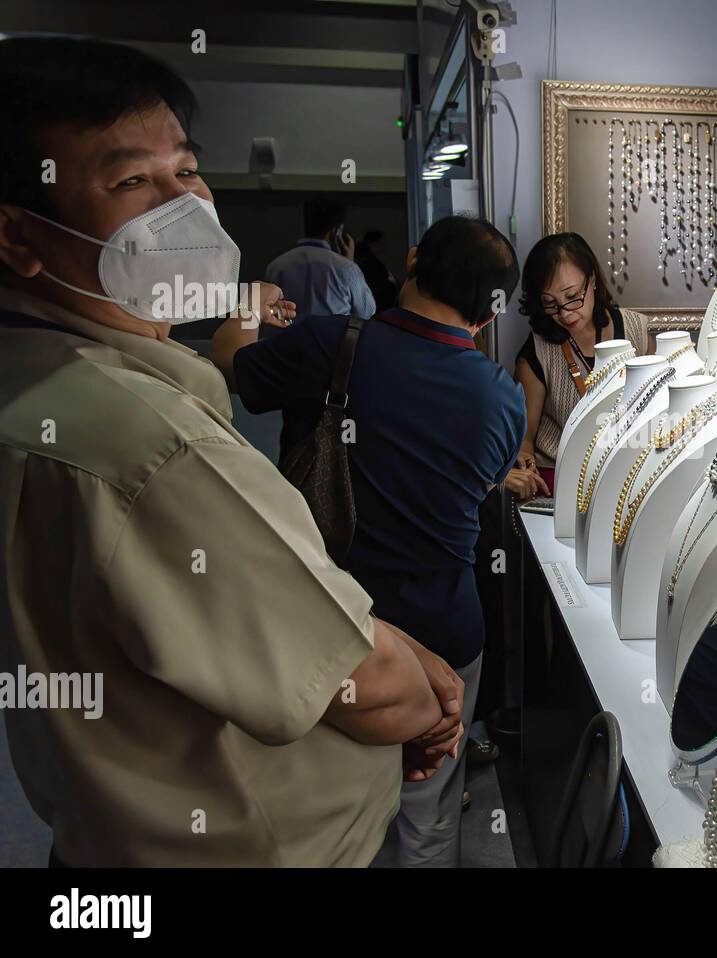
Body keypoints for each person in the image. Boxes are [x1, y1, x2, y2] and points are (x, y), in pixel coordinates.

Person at [0, 36, 462, 867]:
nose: (185, 205)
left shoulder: (35, 385)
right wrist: (424, 696)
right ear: (17, 236)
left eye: (186, 168)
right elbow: (358, 684)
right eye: (131, 181)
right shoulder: (146, 444)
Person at [220, 215, 526, 867]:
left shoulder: (330, 343)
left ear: (413, 260)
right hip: (447, 626)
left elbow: (227, 369)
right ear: (490, 311)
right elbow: (490, 481)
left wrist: (249, 304)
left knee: (328, 806)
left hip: (333, 626)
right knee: (431, 813)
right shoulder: (499, 393)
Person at [511, 232, 650, 497]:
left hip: (629, 477)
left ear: (593, 279)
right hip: (562, 482)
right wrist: (523, 466)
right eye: (550, 304)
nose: (564, 313)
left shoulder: (635, 330)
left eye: (572, 296)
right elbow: (524, 442)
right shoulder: (537, 353)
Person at [265, 196, 376, 319]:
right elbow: (367, 312)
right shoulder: (346, 268)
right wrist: (349, 262)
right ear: (337, 231)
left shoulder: (275, 266)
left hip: (286, 338)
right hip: (331, 338)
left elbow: (268, 312)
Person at [356, 229, 399, 313]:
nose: (383, 246)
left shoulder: (363, 260)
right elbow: (380, 288)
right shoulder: (371, 264)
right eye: (381, 243)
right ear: (373, 244)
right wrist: (393, 283)